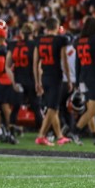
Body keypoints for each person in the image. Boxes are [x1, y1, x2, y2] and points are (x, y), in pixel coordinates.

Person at [33, 16, 73, 146]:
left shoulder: (39, 40)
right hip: (56, 76)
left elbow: (35, 63)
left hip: (44, 76)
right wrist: (69, 78)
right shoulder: (60, 40)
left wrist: (37, 81)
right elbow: (64, 60)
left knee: (54, 108)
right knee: (52, 108)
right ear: (57, 27)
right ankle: (41, 135)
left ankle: (60, 136)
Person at [72, 16, 95, 145]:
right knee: (93, 110)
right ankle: (75, 131)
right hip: (93, 77)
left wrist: (77, 81)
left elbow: (78, 63)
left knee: (89, 108)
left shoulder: (79, 41)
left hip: (83, 77)